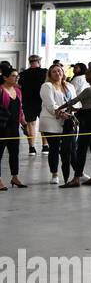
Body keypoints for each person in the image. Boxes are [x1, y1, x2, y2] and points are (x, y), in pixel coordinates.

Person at [61, 66, 91, 187]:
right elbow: (90, 105)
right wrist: (76, 110)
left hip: (90, 120)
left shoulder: (89, 90)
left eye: (88, 74)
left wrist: (58, 108)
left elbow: (73, 101)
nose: (85, 76)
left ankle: (76, 178)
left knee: (81, 149)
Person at [40, 63, 76, 185]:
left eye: (59, 71)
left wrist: (75, 111)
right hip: (51, 122)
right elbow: (50, 105)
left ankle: (77, 173)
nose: (57, 73)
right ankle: (54, 174)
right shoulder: (47, 86)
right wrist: (61, 113)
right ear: (50, 74)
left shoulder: (70, 86)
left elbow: (76, 101)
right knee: (54, 148)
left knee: (71, 148)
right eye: (54, 71)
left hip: (68, 122)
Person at [0, 63, 28, 191]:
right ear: (5, 77)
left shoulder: (17, 91)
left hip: (14, 128)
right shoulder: (1, 90)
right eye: (13, 76)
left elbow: (20, 109)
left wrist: (24, 124)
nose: (16, 78)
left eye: (17, 76)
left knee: (14, 153)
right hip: (2, 128)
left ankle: (15, 177)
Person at [18, 54, 46, 154]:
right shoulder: (45, 72)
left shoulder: (23, 74)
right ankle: (45, 146)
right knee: (44, 124)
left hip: (28, 102)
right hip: (42, 101)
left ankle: (32, 148)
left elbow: (19, 86)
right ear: (39, 61)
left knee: (31, 124)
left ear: (30, 62)